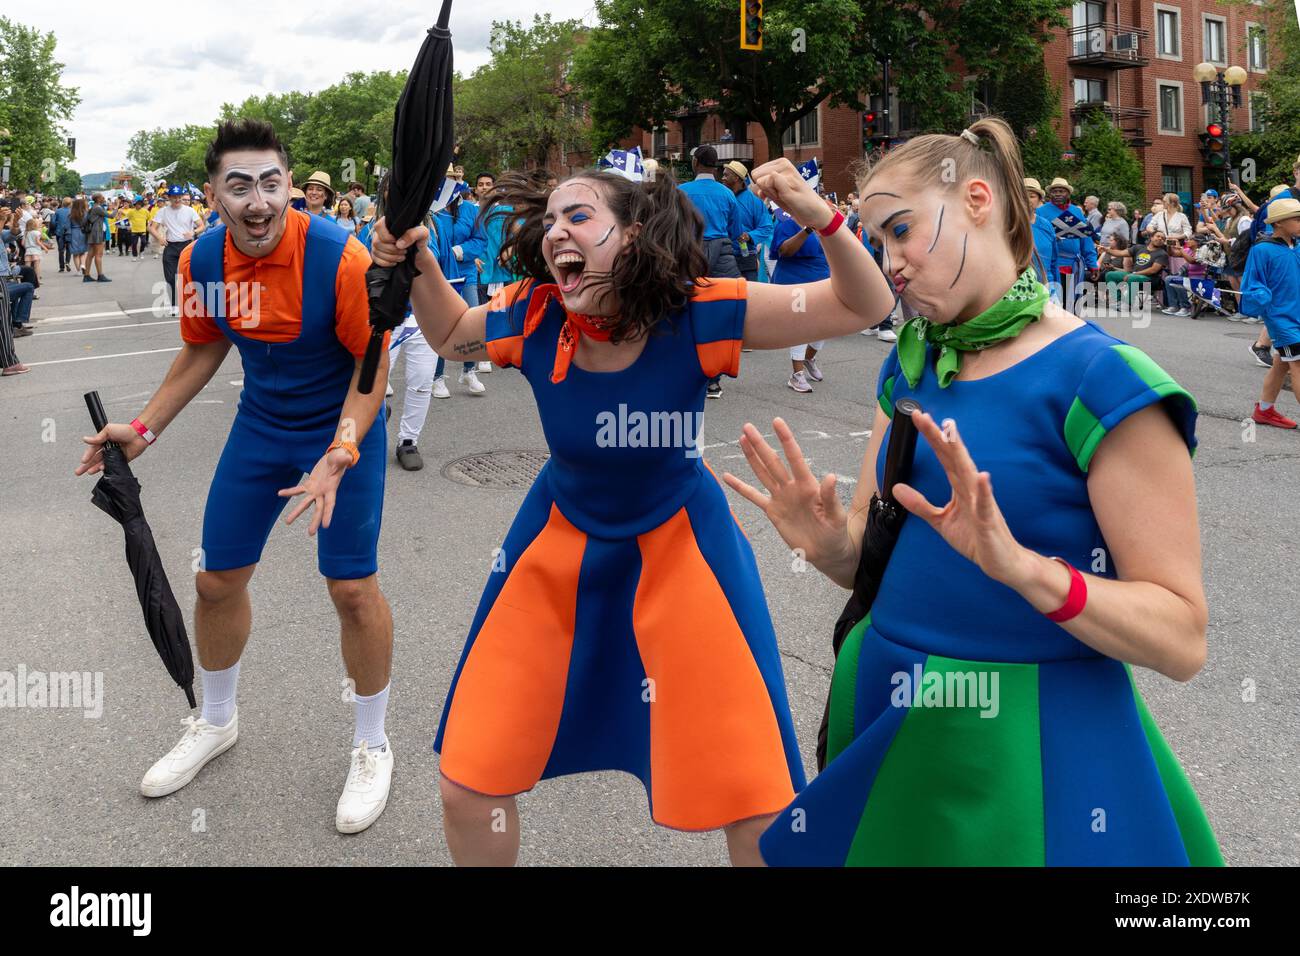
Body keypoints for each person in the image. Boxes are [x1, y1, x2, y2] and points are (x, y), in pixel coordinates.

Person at [368, 156, 895, 867]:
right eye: (550, 220)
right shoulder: (533, 310)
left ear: (635, 232)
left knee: (762, 802)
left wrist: (819, 213)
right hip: (554, 549)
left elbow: (865, 306)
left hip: (687, 554)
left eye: (578, 216)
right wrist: (420, 255)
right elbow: (451, 333)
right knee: (468, 781)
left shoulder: (700, 306)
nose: (557, 230)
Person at [727, 117, 1220, 867]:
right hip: (886, 699)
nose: (889, 263)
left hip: (1026, 745)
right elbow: (869, 554)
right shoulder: (913, 363)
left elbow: (1182, 640)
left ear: (978, 201)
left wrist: (1025, 569)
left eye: (901, 230)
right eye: (878, 242)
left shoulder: (1105, 382)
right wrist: (828, 544)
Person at [75, 119, 397, 834]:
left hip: (343, 426)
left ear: (290, 186)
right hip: (261, 425)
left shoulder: (337, 256)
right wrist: (146, 428)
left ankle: (372, 743)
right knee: (215, 582)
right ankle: (216, 721)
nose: (259, 201)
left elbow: (372, 371)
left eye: (272, 183)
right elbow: (202, 349)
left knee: (350, 588)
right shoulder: (202, 261)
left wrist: (338, 453)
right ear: (213, 194)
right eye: (240, 186)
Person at [1240, 197, 1300, 429]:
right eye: (1297, 219)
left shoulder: (1297, 247)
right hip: (1281, 319)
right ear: (1279, 223)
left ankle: (1264, 410)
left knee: (1281, 364)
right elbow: (1252, 284)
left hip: (1297, 314)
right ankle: (1264, 411)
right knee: (1297, 363)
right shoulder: (1262, 250)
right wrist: (1260, 294)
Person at [770, 203, 831, 392]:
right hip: (796, 280)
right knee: (802, 325)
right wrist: (807, 230)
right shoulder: (786, 223)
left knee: (826, 326)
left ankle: (808, 358)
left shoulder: (824, 222)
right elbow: (784, 250)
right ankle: (796, 375)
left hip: (824, 279)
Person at [149, 185, 206, 315]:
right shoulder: (163, 211)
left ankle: (195, 302)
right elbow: (152, 228)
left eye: (179, 197)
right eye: (174, 197)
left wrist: (193, 232)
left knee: (189, 275)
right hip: (170, 246)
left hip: (186, 246)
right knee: (170, 278)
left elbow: (201, 226)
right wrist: (160, 238)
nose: (177, 199)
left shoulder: (189, 210)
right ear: (169, 198)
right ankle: (174, 305)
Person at [721, 160, 773, 285]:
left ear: (737, 178)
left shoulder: (755, 202)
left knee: (748, 296)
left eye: (726, 175)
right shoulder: (720, 197)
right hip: (722, 257)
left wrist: (749, 236)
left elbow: (766, 227)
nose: (722, 178)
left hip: (745, 258)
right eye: (723, 174)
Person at [83, 194, 110, 282]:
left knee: (90, 254)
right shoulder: (98, 208)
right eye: (102, 197)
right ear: (98, 199)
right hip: (97, 233)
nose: (104, 198)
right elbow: (111, 216)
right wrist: (117, 208)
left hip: (93, 233)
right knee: (99, 254)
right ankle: (100, 275)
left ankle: (87, 275)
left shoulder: (93, 207)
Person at [53, 197, 72, 272]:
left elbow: (53, 222)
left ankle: (61, 267)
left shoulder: (58, 211)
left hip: (59, 232)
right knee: (69, 249)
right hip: (69, 232)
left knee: (61, 250)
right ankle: (67, 262)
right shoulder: (72, 211)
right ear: (70, 204)